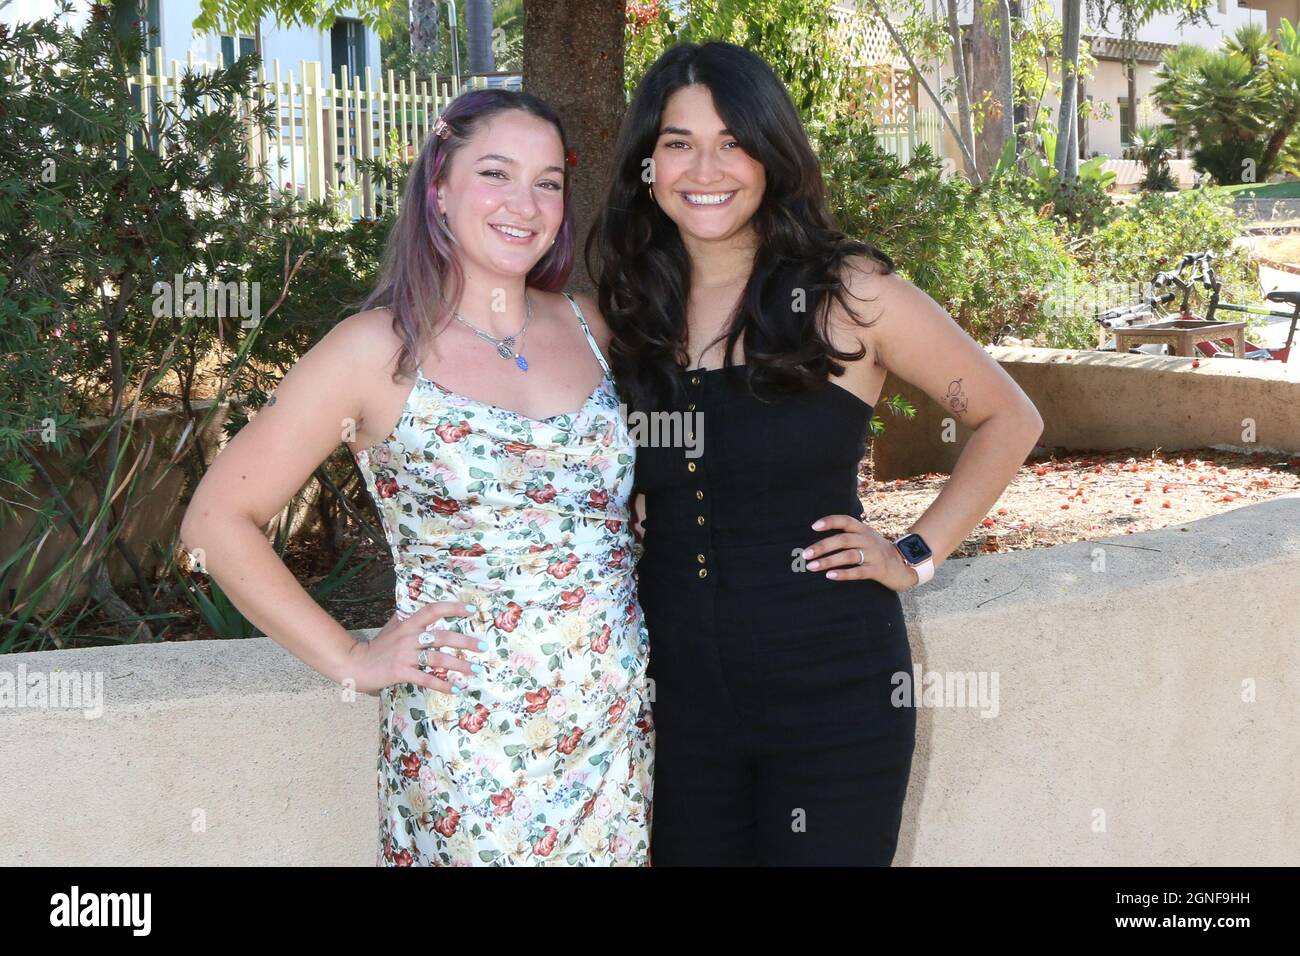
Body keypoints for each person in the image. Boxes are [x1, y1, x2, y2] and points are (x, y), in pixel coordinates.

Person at [588, 42, 1044, 866]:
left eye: (733, 140)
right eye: (679, 141)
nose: (706, 166)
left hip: (834, 693)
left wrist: (915, 551)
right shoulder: (625, 311)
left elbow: (1008, 417)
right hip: (675, 696)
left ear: (772, 153)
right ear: (647, 165)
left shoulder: (848, 296)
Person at [181, 89, 653, 867]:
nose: (524, 204)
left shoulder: (592, 325)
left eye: (547, 182)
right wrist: (351, 658)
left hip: (612, 726)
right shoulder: (376, 350)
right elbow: (213, 525)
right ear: (438, 189)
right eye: (495, 174)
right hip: (470, 744)